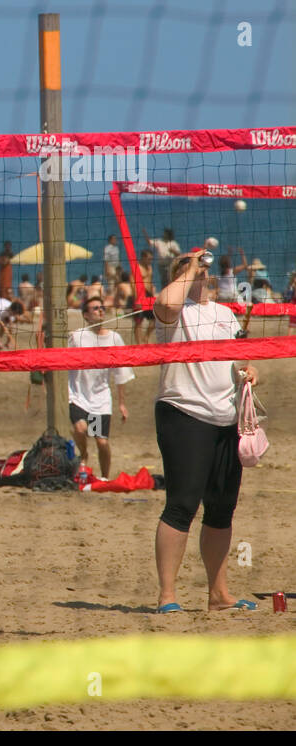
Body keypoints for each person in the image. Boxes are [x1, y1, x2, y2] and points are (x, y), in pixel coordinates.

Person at [151, 250, 257, 613]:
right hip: (183, 414)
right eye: (191, 265)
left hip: (226, 418)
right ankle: (168, 596)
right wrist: (189, 265)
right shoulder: (173, 313)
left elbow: (242, 357)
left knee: (222, 509)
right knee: (181, 505)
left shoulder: (225, 314)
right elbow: (165, 300)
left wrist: (249, 371)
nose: (201, 270)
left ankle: (218, 594)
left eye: (203, 266)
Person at [67, 296, 135, 479]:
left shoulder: (114, 338)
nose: (100, 310)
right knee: (80, 429)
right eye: (95, 308)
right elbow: (61, 361)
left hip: (100, 400)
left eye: (102, 307)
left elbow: (122, 373)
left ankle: (104, 477)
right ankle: (84, 455)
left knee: (102, 442)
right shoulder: (77, 336)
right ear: (86, 315)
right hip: (78, 396)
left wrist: (122, 404)